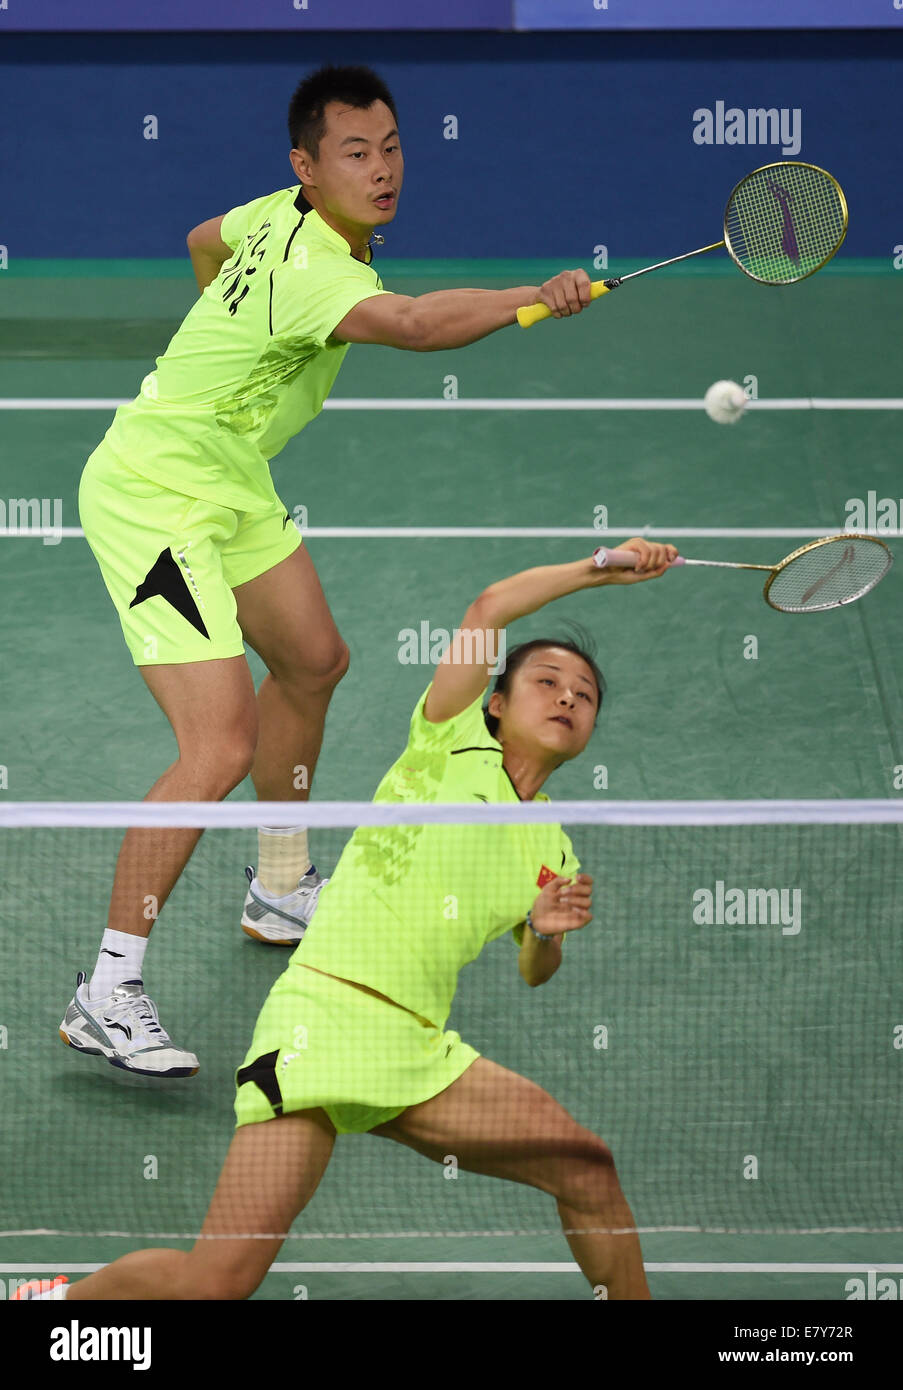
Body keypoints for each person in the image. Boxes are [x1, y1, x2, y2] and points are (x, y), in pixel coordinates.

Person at [61, 64, 599, 1078]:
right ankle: (107, 985)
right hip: (153, 492)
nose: (383, 169)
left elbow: (200, 243)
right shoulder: (319, 264)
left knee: (312, 661)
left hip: (228, 472)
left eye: (392, 145)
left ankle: (276, 886)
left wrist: (233, 348)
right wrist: (538, 296)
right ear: (308, 168)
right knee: (213, 746)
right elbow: (412, 326)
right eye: (356, 154)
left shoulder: (274, 214)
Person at [29, 537, 675, 1302]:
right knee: (214, 1285)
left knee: (587, 1170)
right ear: (495, 703)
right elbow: (490, 606)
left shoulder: (554, 847)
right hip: (320, 1027)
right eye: (547, 681)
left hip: (419, 1052)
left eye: (585, 694)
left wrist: (541, 932)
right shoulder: (448, 741)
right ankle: (62, 1304)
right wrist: (600, 570)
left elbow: (536, 973)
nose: (568, 697)